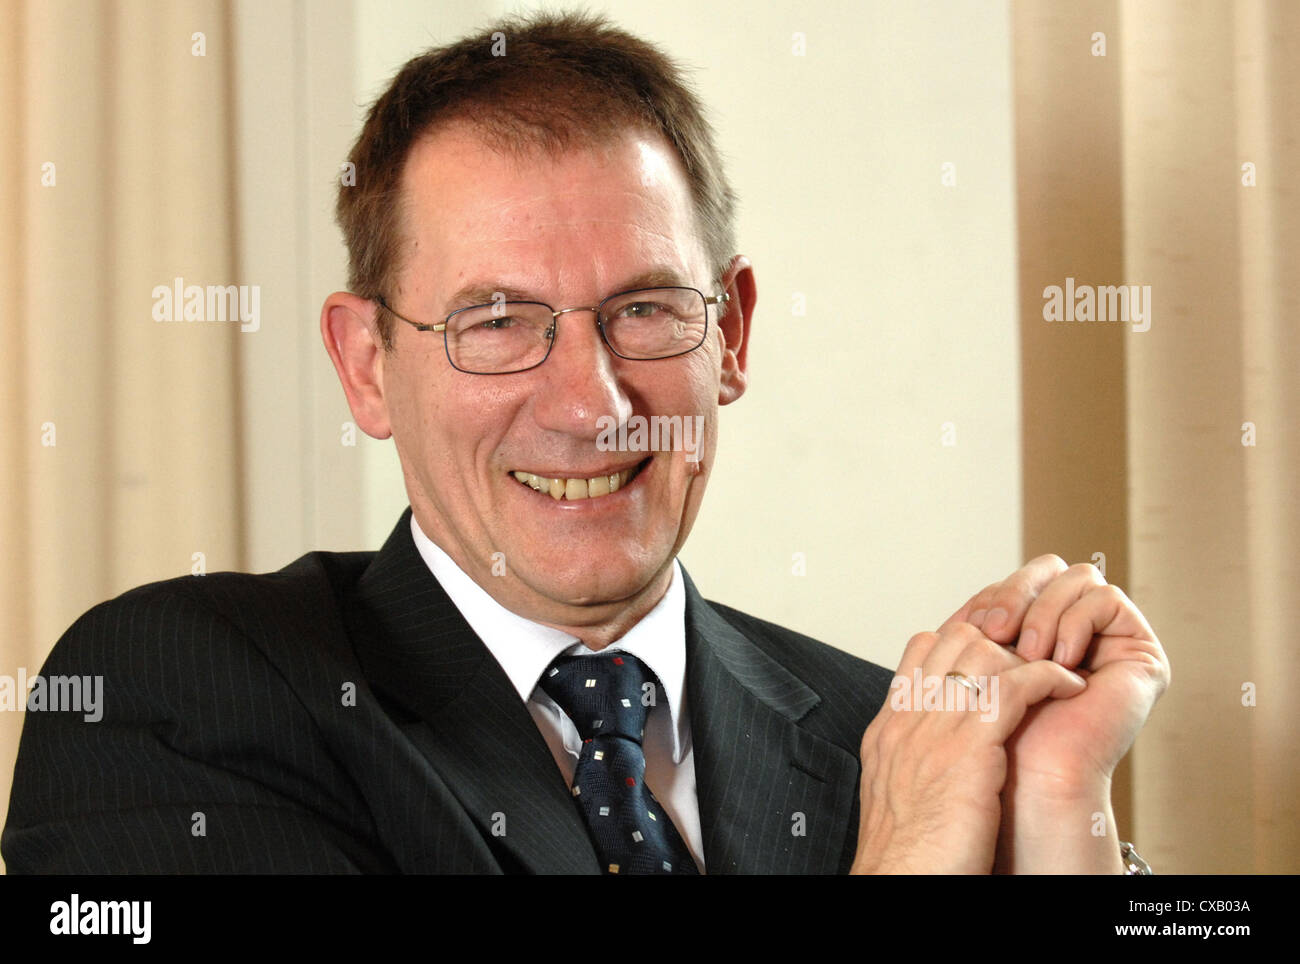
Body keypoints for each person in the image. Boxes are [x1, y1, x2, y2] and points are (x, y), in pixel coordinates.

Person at [2, 11, 1168, 874]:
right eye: (496, 319)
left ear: (734, 335)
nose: (592, 403)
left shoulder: (895, 735)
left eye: (646, 308)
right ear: (367, 365)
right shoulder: (173, 694)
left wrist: (1068, 820)